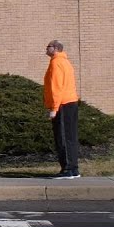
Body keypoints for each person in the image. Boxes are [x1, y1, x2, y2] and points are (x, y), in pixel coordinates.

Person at [44, 40, 81, 178]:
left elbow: (56, 87)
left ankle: (68, 169)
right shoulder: (66, 62)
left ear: (55, 48)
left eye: (48, 47)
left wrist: (54, 108)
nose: (46, 49)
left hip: (63, 104)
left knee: (63, 136)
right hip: (69, 103)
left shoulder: (56, 62)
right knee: (70, 136)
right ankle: (73, 168)